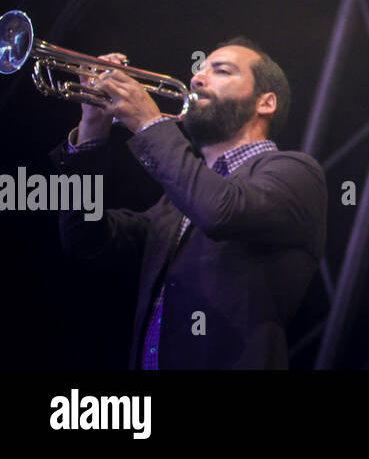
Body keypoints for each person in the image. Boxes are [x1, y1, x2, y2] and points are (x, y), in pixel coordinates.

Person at [48, 37, 326, 368]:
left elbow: (220, 211)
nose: (195, 78)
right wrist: (92, 131)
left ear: (265, 103)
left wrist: (149, 124)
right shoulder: (175, 205)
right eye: (199, 70)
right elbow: (84, 238)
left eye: (221, 71)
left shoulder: (296, 173)